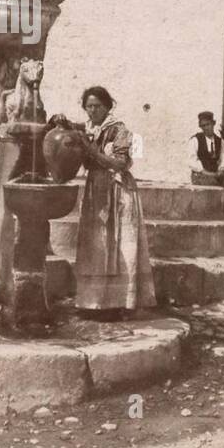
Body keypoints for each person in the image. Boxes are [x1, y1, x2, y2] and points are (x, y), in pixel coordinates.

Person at [73, 86, 156, 318]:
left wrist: (90, 151)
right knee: (97, 246)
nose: (92, 111)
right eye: (88, 106)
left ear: (107, 106)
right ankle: (95, 303)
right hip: (96, 191)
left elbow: (120, 163)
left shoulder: (119, 130)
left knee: (119, 245)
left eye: (97, 106)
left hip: (117, 191)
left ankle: (119, 302)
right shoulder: (89, 129)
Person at [187, 111, 224, 215]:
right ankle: (217, 209)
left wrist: (222, 170)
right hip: (200, 175)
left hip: (215, 174)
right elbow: (192, 161)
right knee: (214, 184)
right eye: (203, 126)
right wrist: (207, 173)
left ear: (213, 123)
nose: (205, 128)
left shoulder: (220, 141)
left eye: (208, 124)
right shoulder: (195, 140)